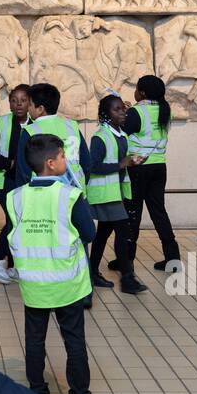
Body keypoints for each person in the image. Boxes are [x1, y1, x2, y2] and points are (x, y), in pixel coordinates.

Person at [6, 134, 95, 394]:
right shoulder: (70, 195)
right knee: (74, 340)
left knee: (34, 340)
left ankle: (38, 393)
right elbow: (89, 233)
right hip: (67, 284)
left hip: (34, 284)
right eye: (62, 156)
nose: (65, 161)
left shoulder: (15, 197)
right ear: (51, 163)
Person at [87, 95, 145, 295]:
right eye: (117, 110)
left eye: (123, 109)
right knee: (123, 232)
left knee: (103, 233)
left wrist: (132, 162)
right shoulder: (100, 137)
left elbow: (121, 162)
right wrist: (121, 164)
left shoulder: (122, 135)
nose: (122, 113)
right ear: (105, 114)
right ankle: (127, 279)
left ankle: (92, 272)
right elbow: (92, 166)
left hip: (116, 192)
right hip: (104, 194)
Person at [121, 74, 180, 273]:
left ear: (142, 92)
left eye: (137, 88)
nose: (135, 92)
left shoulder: (137, 112)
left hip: (138, 167)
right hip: (159, 166)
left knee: (133, 213)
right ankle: (173, 258)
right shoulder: (165, 109)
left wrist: (124, 113)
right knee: (159, 212)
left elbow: (122, 132)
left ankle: (126, 261)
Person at [0, 83, 31, 286]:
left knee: (18, 222)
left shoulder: (35, 124)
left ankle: (13, 267)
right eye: (14, 100)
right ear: (9, 104)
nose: (18, 104)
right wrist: (8, 163)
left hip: (27, 182)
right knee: (15, 221)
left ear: (29, 103)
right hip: (5, 181)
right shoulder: (1, 123)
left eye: (23, 100)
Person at [13, 83, 93, 190]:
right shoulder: (72, 125)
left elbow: (23, 171)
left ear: (40, 109)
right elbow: (86, 163)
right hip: (75, 191)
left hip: (42, 193)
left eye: (30, 104)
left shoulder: (30, 131)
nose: (28, 108)